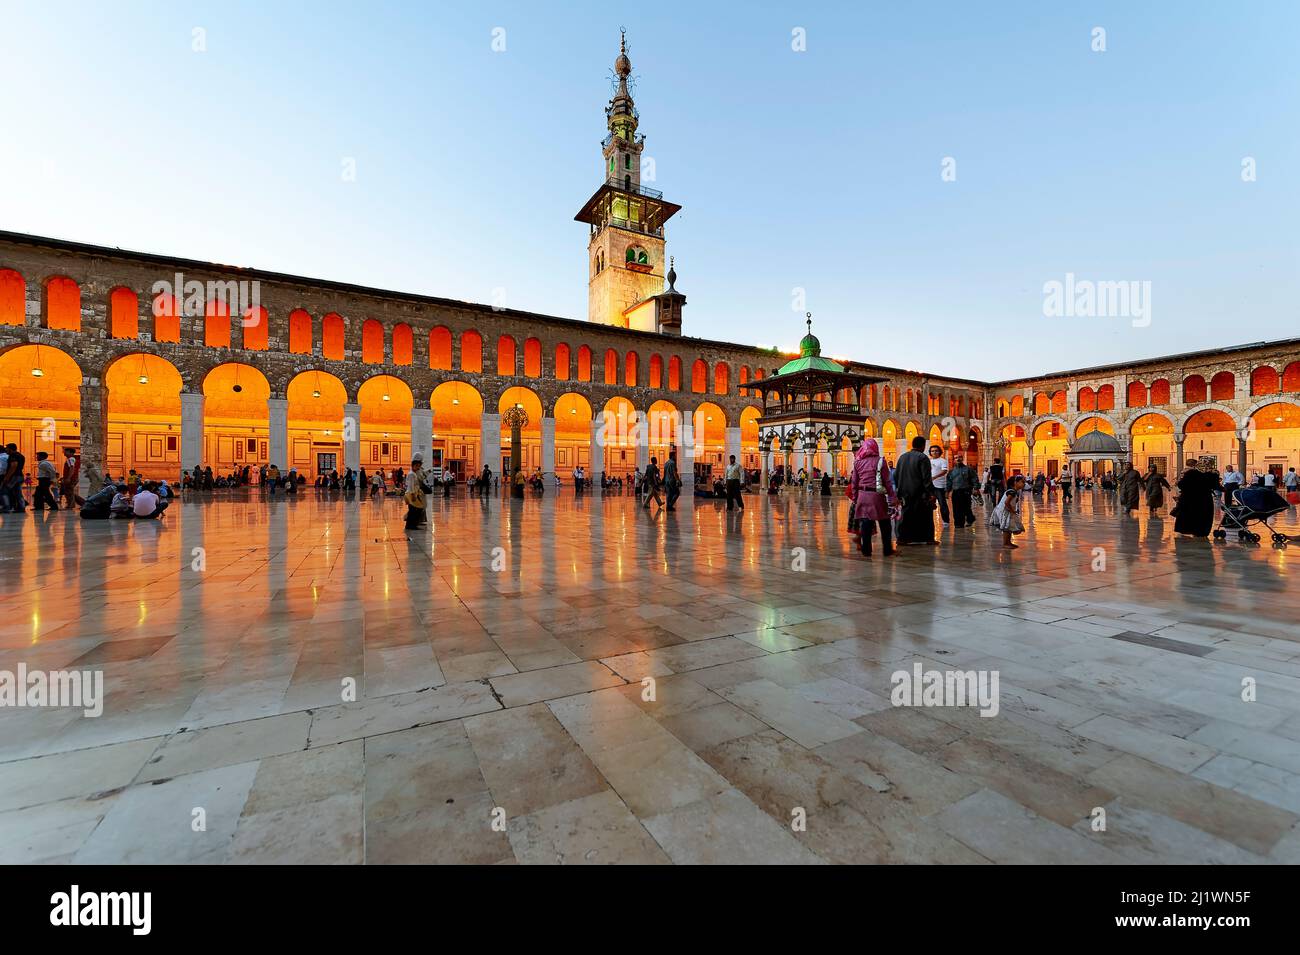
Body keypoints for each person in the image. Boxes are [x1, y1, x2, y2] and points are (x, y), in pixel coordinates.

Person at [848, 438, 897, 557]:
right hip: (876, 495)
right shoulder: (880, 461)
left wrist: (855, 497)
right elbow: (887, 481)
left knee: (866, 523)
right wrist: (892, 497)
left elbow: (854, 482)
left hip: (862, 495)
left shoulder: (858, 462)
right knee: (884, 522)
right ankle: (887, 550)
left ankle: (866, 550)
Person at [893, 436, 936, 545]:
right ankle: (927, 538)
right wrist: (930, 493)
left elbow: (896, 475)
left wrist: (899, 489)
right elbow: (926, 478)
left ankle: (902, 538)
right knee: (924, 516)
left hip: (904, 492)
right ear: (923, 445)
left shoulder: (902, 457)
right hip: (919, 493)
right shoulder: (923, 457)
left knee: (906, 515)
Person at [1174, 462, 1220, 537]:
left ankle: (1186, 529)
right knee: (1203, 516)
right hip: (1205, 500)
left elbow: (1181, 485)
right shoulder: (1213, 474)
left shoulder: (1190, 473)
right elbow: (1215, 486)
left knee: (1189, 514)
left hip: (1189, 499)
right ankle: (1201, 532)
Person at [989, 475, 1026, 548]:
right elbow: (1006, 502)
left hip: (1006, 510)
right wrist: (1012, 510)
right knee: (1006, 528)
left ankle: (1008, 542)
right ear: (1015, 483)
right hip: (1005, 511)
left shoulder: (1013, 491)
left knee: (1009, 527)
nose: (1024, 484)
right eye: (1022, 482)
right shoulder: (1012, 492)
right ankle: (1005, 543)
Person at [948, 458, 978, 528]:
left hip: (966, 491)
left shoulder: (968, 469)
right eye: (955, 458)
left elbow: (974, 478)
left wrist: (976, 488)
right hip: (956, 491)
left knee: (966, 507)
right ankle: (958, 524)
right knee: (956, 508)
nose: (958, 459)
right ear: (953, 460)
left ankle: (970, 518)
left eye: (959, 457)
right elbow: (949, 481)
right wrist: (947, 491)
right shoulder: (951, 471)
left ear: (962, 459)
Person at [403, 456, 428, 530]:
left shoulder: (413, 473)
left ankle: (411, 525)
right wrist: (413, 495)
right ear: (414, 465)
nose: (418, 468)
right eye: (418, 466)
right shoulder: (411, 474)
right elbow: (410, 485)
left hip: (414, 493)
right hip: (411, 494)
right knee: (414, 510)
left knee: (414, 510)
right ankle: (411, 525)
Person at [928, 445, 950, 525]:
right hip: (930, 486)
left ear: (939, 452)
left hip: (939, 486)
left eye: (936, 450)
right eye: (932, 451)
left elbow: (944, 471)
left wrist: (934, 477)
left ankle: (946, 521)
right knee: (929, 503)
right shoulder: (929, 461)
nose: (934, 452)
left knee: (942, 504)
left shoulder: (942, 461)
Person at [1, 442, 26, 512]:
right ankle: (21, 507)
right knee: (18, 492)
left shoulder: (13, 455)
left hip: (14, 476)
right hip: (20, 475)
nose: (6, 450)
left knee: (4, 491)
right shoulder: (21, 455)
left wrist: (7, 477)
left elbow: (13, 466)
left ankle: (6, 507)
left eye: (7, 449)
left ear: (10, 449)